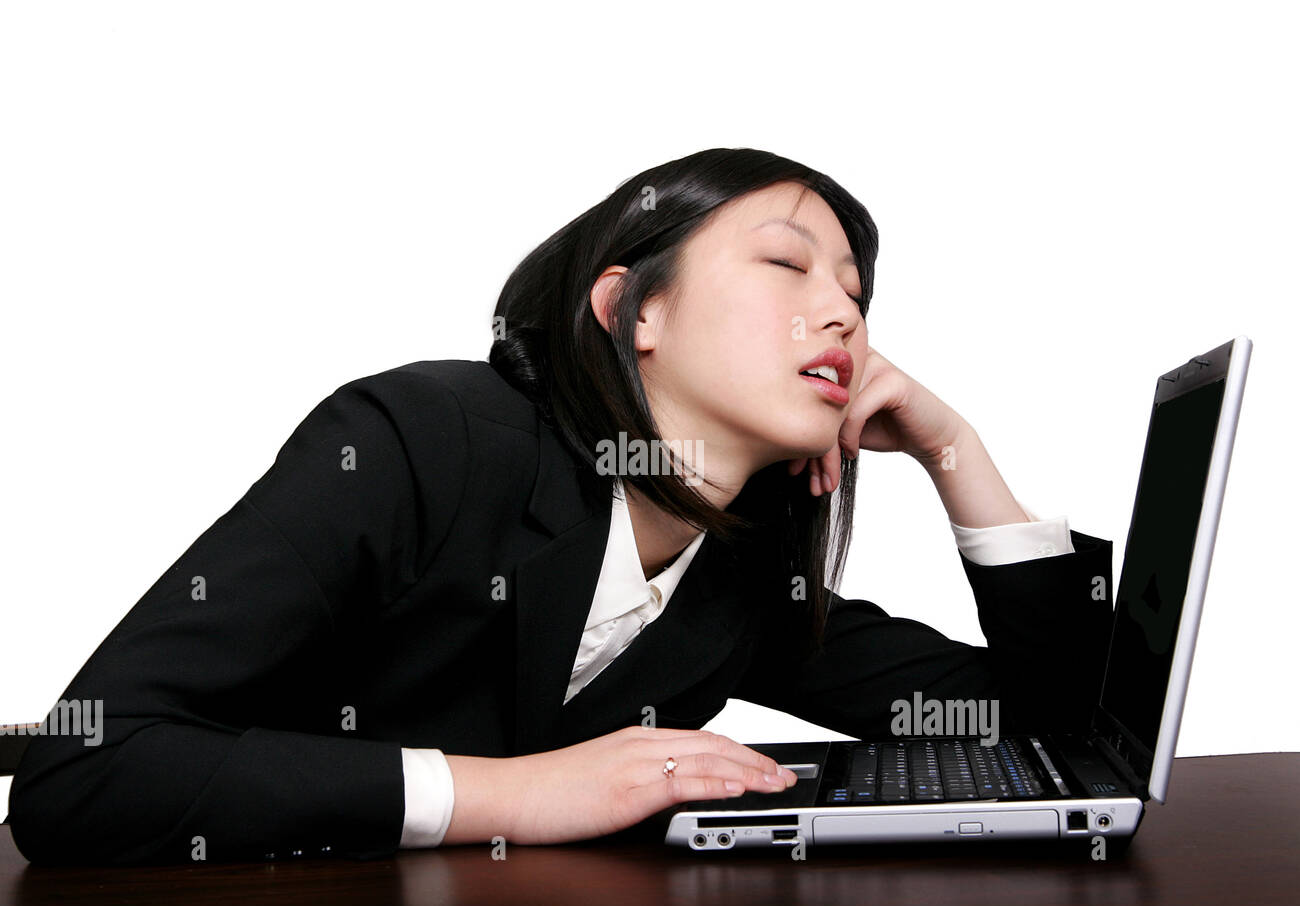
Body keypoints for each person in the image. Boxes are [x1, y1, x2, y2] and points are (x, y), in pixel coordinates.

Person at [7, 148, 1112, 865]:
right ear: (631, 310)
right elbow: (82, 767)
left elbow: (1049, 722)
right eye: (788, 265)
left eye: (857, 297)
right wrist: (510, 795)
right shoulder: (418, 442)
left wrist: (955, 453)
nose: (841, 316)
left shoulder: (731, 574)